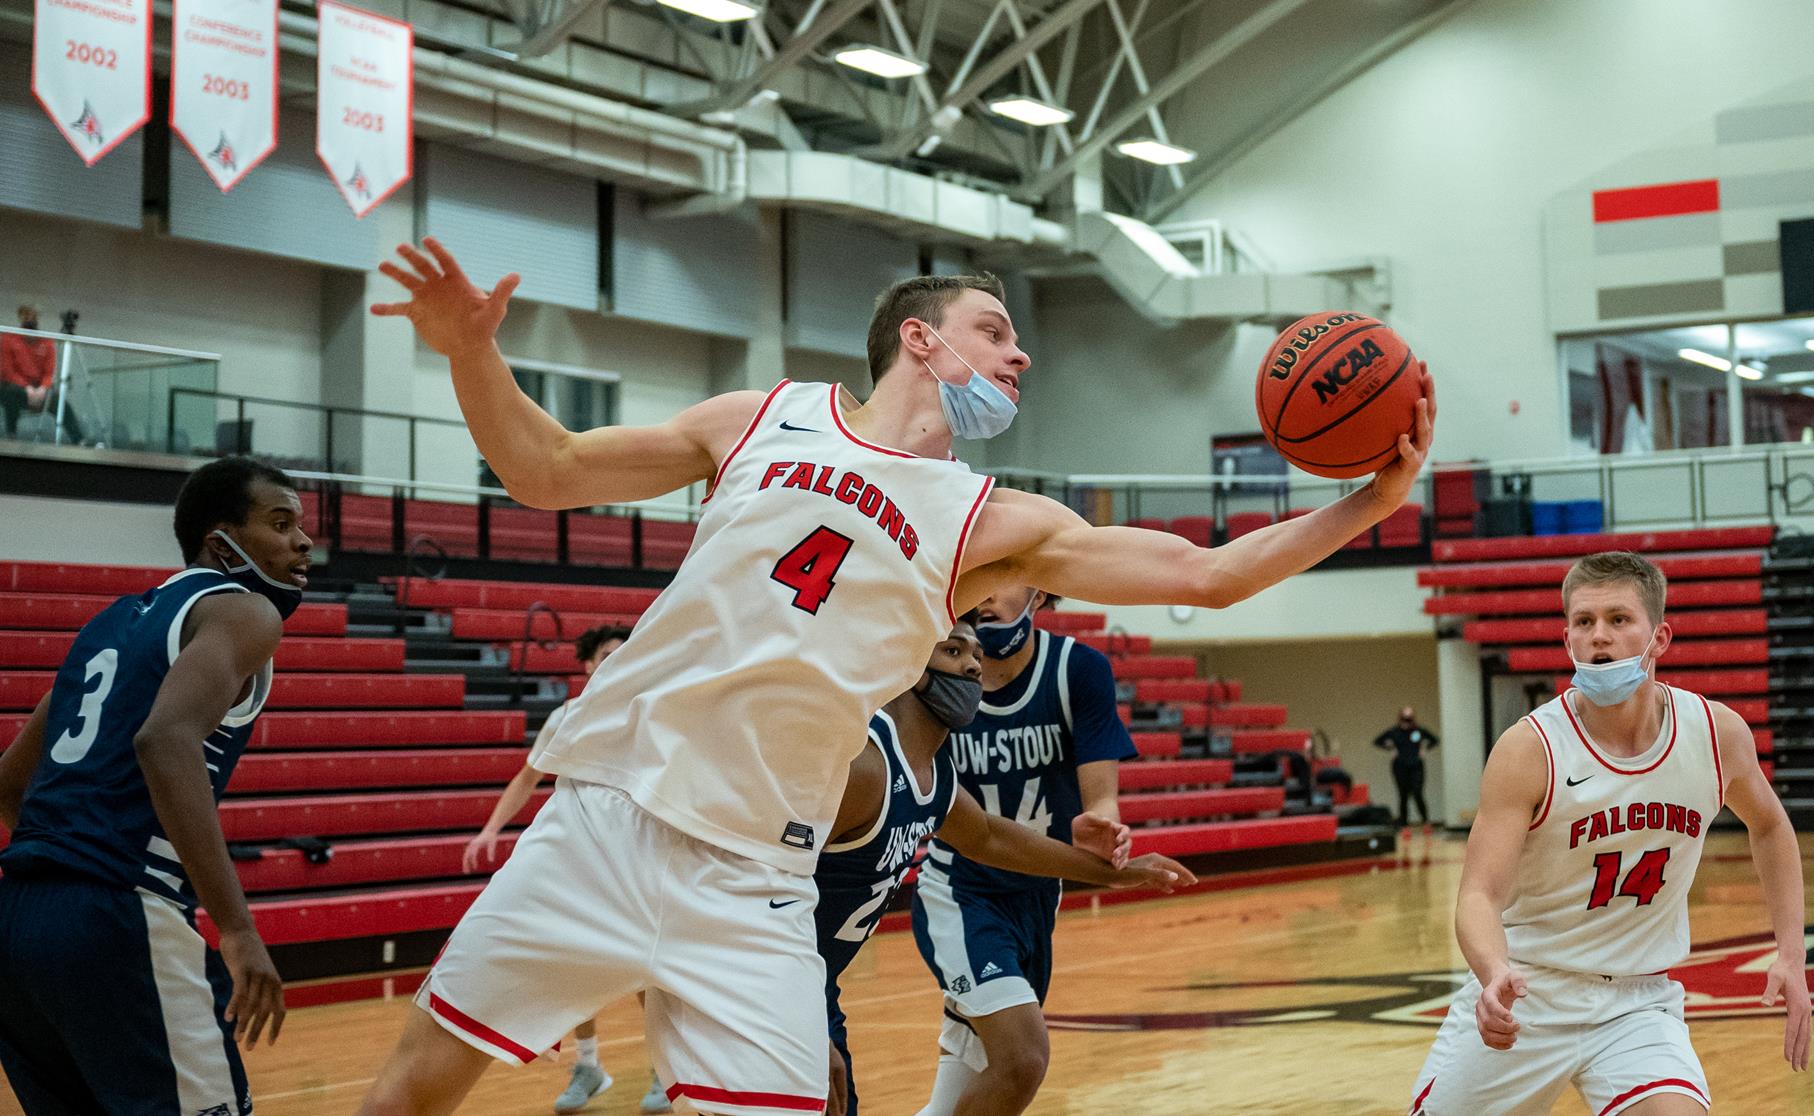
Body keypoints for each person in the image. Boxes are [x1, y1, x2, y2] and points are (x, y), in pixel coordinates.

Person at [356, 237, 1434, 1116]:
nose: (1019, 358)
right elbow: (548, 469)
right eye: (995, 333)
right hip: (608, 816)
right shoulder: (758, 418)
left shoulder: (993, 523)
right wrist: (466, 354)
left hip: (756, 879)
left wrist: (1370, 505)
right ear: (919, 339)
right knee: (413, 1091)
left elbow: (1207, 576)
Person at [1409, 552, 1811, 1116]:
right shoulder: (1530, 749)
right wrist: (1493, 970)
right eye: (1584, 622)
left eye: (1619, 620)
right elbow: (1478, 893)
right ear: (1567, 637)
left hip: (1637, 1001)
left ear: (1660, 636)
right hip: (1531, 992)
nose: (1600, 637)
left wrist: (1791, 954)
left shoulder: (1714, 734)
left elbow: (1769, 825)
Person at [0, 456, 310, 1115]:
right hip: (120, 911)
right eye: (281, 523)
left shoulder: (108, 624)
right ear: (220, 541)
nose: (303, 541)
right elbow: (164, 739)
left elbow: (7, 783)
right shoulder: (245, 612)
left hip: (18, 920)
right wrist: (239, 930)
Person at [816, 619, 1194, 1116]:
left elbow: (992, 837)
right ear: (907, 663)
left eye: (974, 653)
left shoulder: (935, 778)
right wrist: (799, 1020)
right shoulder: (865, 767)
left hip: (818, 981)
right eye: (953, 651)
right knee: (1023, 1055)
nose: (973, 664)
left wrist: (1122, 872)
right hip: (777, 975)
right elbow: (760, 886)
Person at [909, 587, 1133, 1116]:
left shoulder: (1078, 669)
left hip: (1037, 894)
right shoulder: (933, 673)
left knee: (966, 1094)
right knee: (1022, 1060)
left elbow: (1102, 796)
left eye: (1004, 576)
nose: (985, 593)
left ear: (1039, 589)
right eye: (977, 575)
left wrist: (1105, 826)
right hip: (960, 893)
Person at [459, 623, 658, 1113]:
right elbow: (528, 777)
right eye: (607, 653)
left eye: (624, 652)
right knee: (576, 965)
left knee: (644, 975)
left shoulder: (650, 709)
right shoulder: (566, 716)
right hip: (580, 855)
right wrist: (490, 829)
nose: (616, 659)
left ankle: (664, 1069)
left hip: (634, 856)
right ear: (588, 663)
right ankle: (588, 1066)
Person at [0, 303, 84, 443]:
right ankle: (11, 436)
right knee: (10, 394)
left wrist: (43, 389)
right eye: (26, 315)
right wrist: (27, 388)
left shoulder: (46, 341)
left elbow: (49, 372)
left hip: (39, 391)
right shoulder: (9, 339)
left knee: (60, 402)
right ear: (20, 317)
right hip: (14, 387)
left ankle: (79, 440)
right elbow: (7, 371)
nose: (30, 318)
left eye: (33, 315)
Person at [1374, 705, 1439, 831]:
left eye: (1409, 719)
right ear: (1400, 718)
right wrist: (1390, 748)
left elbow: (1434, 740)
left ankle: (1425, 822)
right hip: (1400, 766)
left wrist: (1424, 749)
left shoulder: (1418, 731)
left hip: (1416, 766)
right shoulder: (1394, 732)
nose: (1406, 722)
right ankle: (1405, 826)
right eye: (1404, 719)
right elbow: (1377, 741)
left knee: (1417, 793)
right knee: (1403, 795)